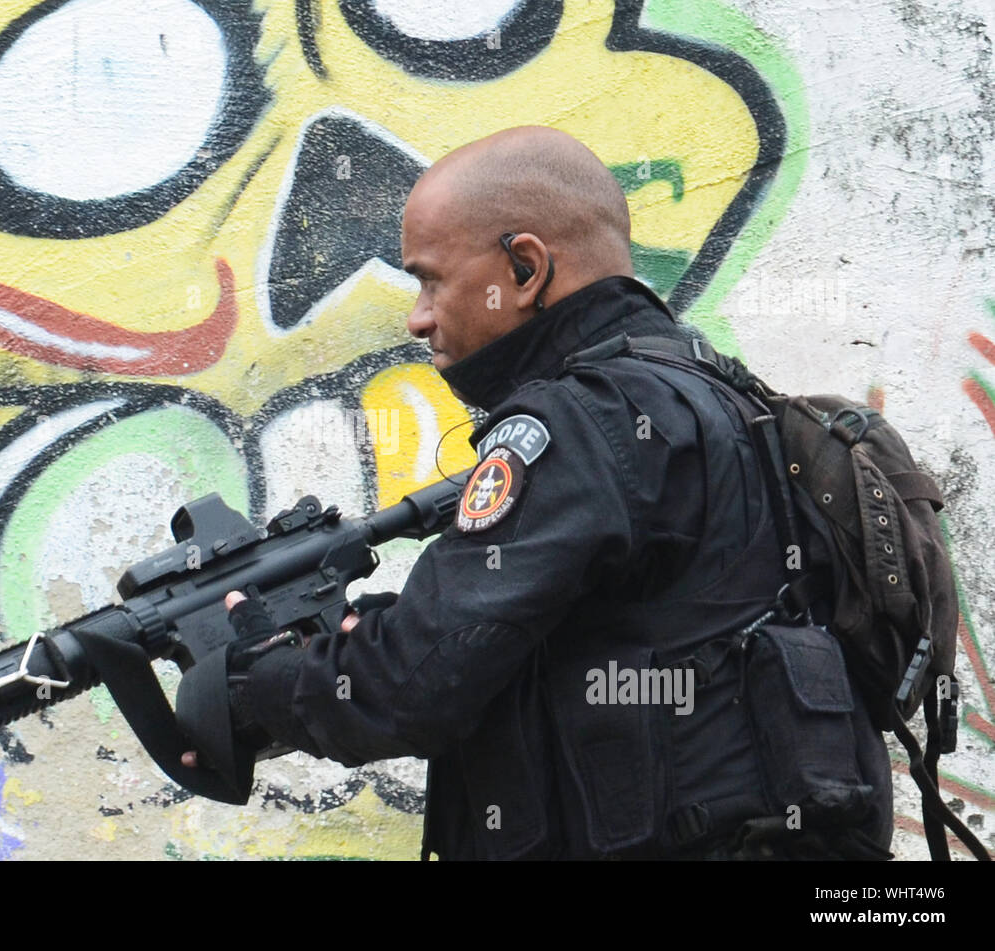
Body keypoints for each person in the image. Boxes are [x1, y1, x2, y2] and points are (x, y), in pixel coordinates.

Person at [177, 126, 894, 860]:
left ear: (524, 269)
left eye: (430, 280)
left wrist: (246, 685)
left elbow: (415, 687)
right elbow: (587, 631)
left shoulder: (580, 421)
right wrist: (359, 638)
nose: (417, 318)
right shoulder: (719, 391)